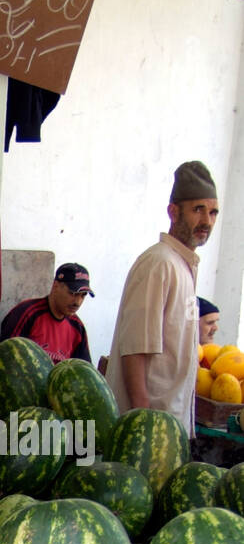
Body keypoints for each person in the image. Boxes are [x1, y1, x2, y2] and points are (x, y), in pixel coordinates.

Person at [105, 161, 220, 436]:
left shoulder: (184, 266)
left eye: (213, 212)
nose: (207, 221)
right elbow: (135, 347)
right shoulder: (159, 264)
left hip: (170, 427)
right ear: (173, 212)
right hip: (148, 429)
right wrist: (145, 426)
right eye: (198, 210)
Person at [0, 263, 94, 362]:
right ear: (55, 286)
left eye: (83, 295)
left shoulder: (78, 327)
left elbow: (83, 368)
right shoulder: (27, 313)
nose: (78, 302)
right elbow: (4, 358)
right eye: (73, 294)